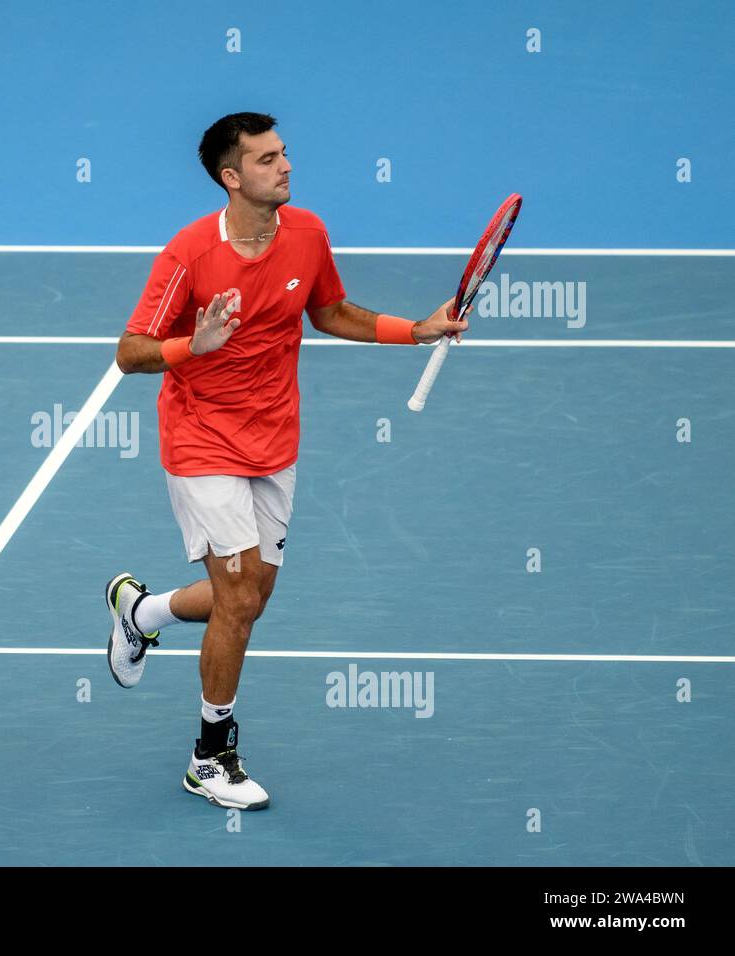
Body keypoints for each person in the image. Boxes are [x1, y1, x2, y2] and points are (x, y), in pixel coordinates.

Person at [106, 113, 467, 810]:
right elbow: (130, 353)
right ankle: (211, 756)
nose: (287, 166)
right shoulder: (187, 256)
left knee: (250, 600)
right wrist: (194, 347)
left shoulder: (307, 233)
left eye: (285, 153)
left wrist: (414, 331)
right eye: (268, 159)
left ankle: (142, 612)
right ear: (231, 177)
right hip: (202, 438)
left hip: (274, 440)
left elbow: (329, 312)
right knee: (239, 598)